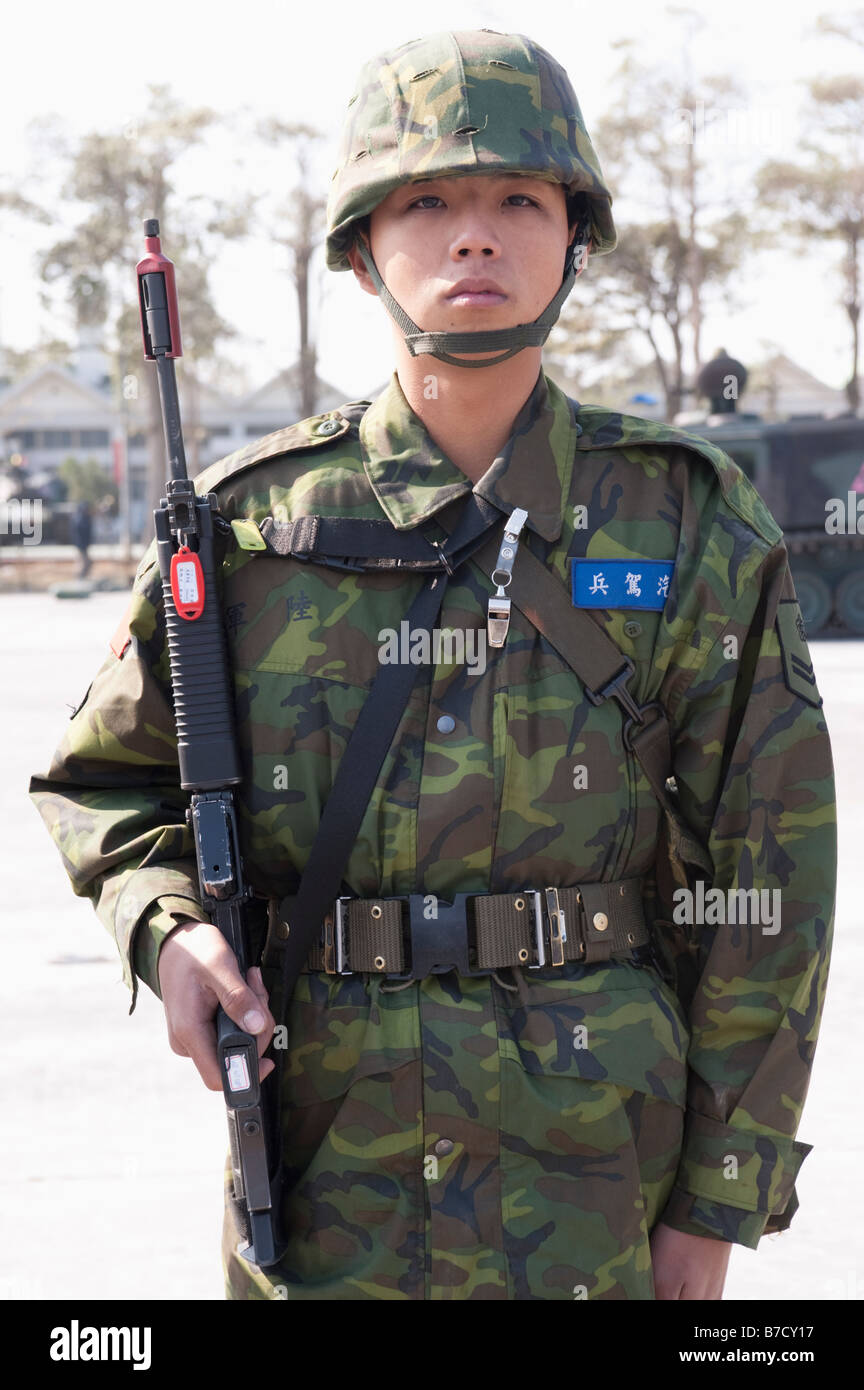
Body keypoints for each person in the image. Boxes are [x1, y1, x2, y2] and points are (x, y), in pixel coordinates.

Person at [29, 29, 836, 1301]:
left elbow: (772, 874)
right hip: (326, 1178)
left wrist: (719, 1197)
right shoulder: (250, 527)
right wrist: (169, 933)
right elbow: (106, 784)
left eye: (520, 198)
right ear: (362, 249)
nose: (476, 235)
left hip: (595, 1188)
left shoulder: (686, 519)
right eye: (429, 201)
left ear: (575, 237)